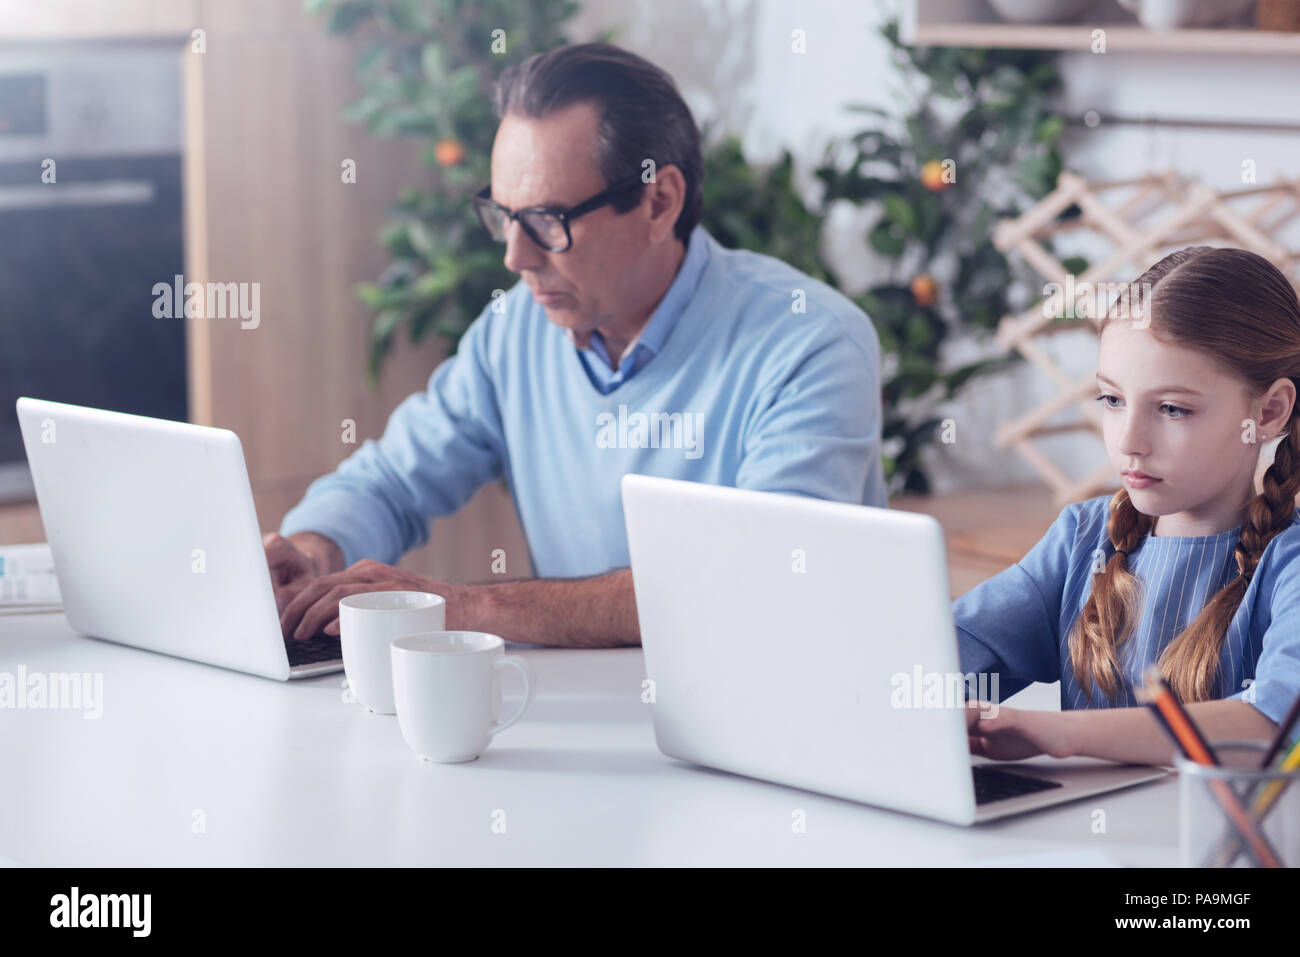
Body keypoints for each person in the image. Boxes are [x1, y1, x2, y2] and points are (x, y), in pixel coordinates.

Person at [267, 42, 886, 648]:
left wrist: (470, 606)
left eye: (546, 222)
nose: (515, 256)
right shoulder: (514, 331)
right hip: (584, 718)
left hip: (773, 722)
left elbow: (762, 579)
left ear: (659, 201)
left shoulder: (811, 343)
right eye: (503, 215)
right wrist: (317, 548)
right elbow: (391, 482)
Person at [958, 246, 1300, 765]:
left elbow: (1270, 724)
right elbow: (952, 650)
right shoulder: (1082, 537)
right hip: (1080, 840)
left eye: (1171, 409)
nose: (1129, 441)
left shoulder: (1287, 563)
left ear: (1270, 412)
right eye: (1112, 400)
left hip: (1216, 846)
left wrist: (1068, 734)